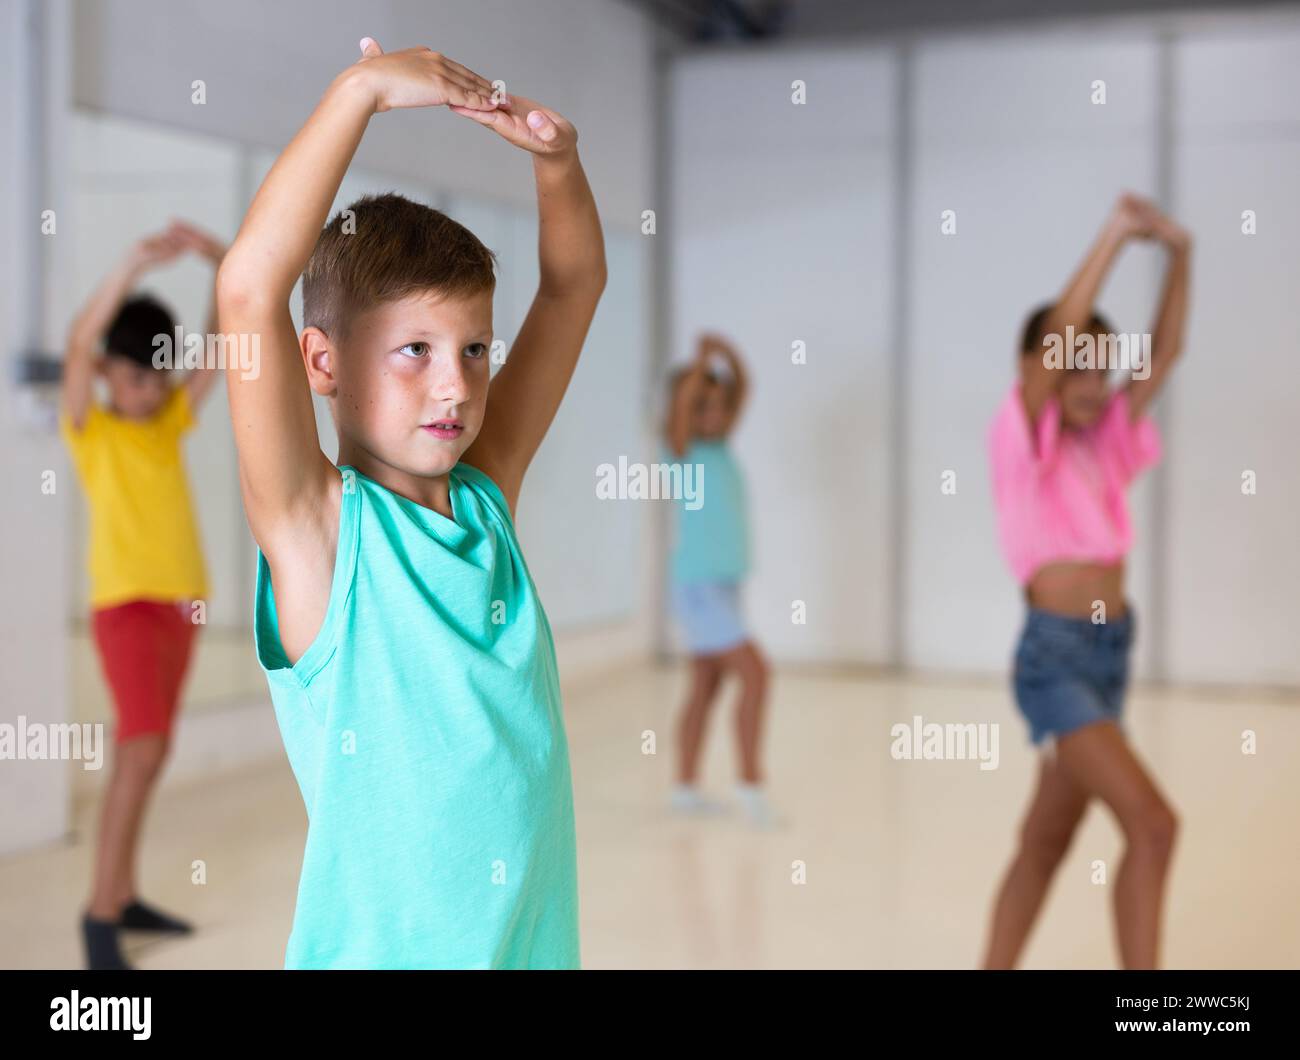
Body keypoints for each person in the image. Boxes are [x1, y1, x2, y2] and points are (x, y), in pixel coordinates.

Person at [217, 39, 605, 968]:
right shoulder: (322, 535)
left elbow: (574, 284)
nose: (454, 387)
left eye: (474, 350)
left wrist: (559, 163)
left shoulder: (487, 499)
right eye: (415, 351)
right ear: (323, 364)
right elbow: (246, 290)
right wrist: (360, 94)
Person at [982, 193, 1191, 969]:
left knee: (1043, 841)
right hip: (1056, 659)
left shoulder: (1109, 439)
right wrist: (1113, 237)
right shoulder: (1020, 437)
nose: (1090, 382)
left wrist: (1180, 253)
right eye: (1071, 367)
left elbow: (1165, 353)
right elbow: (1061, 338)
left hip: (1109, 654)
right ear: (1038, 371)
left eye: (1100, 371)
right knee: (1155, 825)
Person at [59, 219, 227, 969]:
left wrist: (224, 263)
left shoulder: (168, 424)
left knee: (152, 754)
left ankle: (122, 894)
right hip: (126, 608)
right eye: (135, 378)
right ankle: (100, 912)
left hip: (182, 608)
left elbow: (224, 348)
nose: (151, 389)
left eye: (160, 375)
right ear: (106, 373)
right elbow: (76, 345)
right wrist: (129, 265)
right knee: (141, 749)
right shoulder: (90, 429)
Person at [664, 333, 774, 828]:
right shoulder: (681, 451)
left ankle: (684, 788)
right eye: (702, 407)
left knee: (706, 687)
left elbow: (744, 384)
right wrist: (700, 367)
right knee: (756, 674)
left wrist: (724, 351)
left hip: (721, 584)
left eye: (719, 407)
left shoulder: (722, 447)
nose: (715, 416)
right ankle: (751, 785)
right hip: (699, 586)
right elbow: (683, 410)